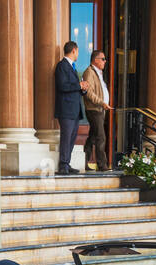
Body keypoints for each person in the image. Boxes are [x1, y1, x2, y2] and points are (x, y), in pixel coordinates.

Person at [54, 41, 86, 175]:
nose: (78, 54)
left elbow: (74, 87)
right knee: (66, 137)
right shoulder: (62, 66)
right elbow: (63, 86)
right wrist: (79, 85)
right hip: (66, 110)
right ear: (74, 50)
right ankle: (63, 166)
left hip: (74, 110)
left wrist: (83, 88)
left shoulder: (72, 67)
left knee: (72, 138)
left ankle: (67, 163)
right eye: (78, 51)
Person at [81, 49, 112, 172]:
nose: (105, 61)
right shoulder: (89, 72)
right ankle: (102, 165)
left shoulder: (98, 73)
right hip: (94, 109)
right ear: (95, 60)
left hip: (99, 109)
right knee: (101, 137)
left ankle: (84, 162)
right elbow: (88, 92)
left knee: (93, 137)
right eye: (103, 59)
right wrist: (101, 102)